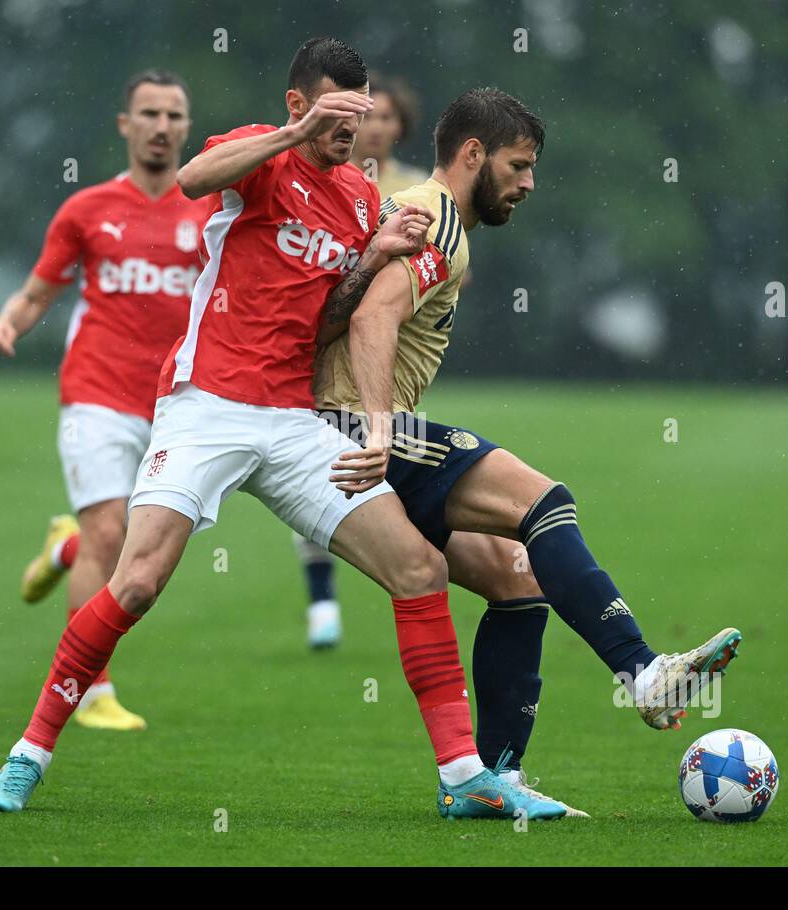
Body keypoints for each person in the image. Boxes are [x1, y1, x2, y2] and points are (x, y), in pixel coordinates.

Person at [0, 39, 568, 821]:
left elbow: (337, 317)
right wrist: (293, 138)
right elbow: (190, 181)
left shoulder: (363, 197)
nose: (351, 131)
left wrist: (373, 258)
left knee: (420, 568)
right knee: (139, 577)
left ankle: (464, 776)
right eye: (337, 114)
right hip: (207, 405)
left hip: (296, 422)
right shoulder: (256, 154)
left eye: (360, 117)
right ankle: (28, 755)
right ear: (298, 105)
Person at [317, 89, 743, 811]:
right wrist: (382, 429)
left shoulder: (422, 210)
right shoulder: (437, 219)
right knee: (545, 503)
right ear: (473, 155)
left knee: (519, 577)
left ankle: (493, 781)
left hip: (343, 430)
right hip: (348, 431)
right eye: (519, 165)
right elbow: (373, 319)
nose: (529, 183)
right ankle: (643, 672)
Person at [0, 70, 210, 732]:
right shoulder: (86, 210)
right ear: (125, 125)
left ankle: (62, 549)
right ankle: (92, 691)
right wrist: (5, 325)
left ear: (187, 128)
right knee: (111, 535)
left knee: (139, 552)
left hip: (174, 404)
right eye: (149, 114)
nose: (162, 126)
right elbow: (37, 291)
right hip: (96, 394)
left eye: (173, 115)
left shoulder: (209, 213)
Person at [295, 72, 431, 651]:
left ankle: (410, 576)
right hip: (325, 349)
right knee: (315, 468)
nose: (374, 126)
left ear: (400, 127)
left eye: (386, 118)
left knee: (387, 465)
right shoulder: (330, 180)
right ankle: (323, 600)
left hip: (385, 356)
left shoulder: (415, 190)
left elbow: (443, 267)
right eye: (367, 115)